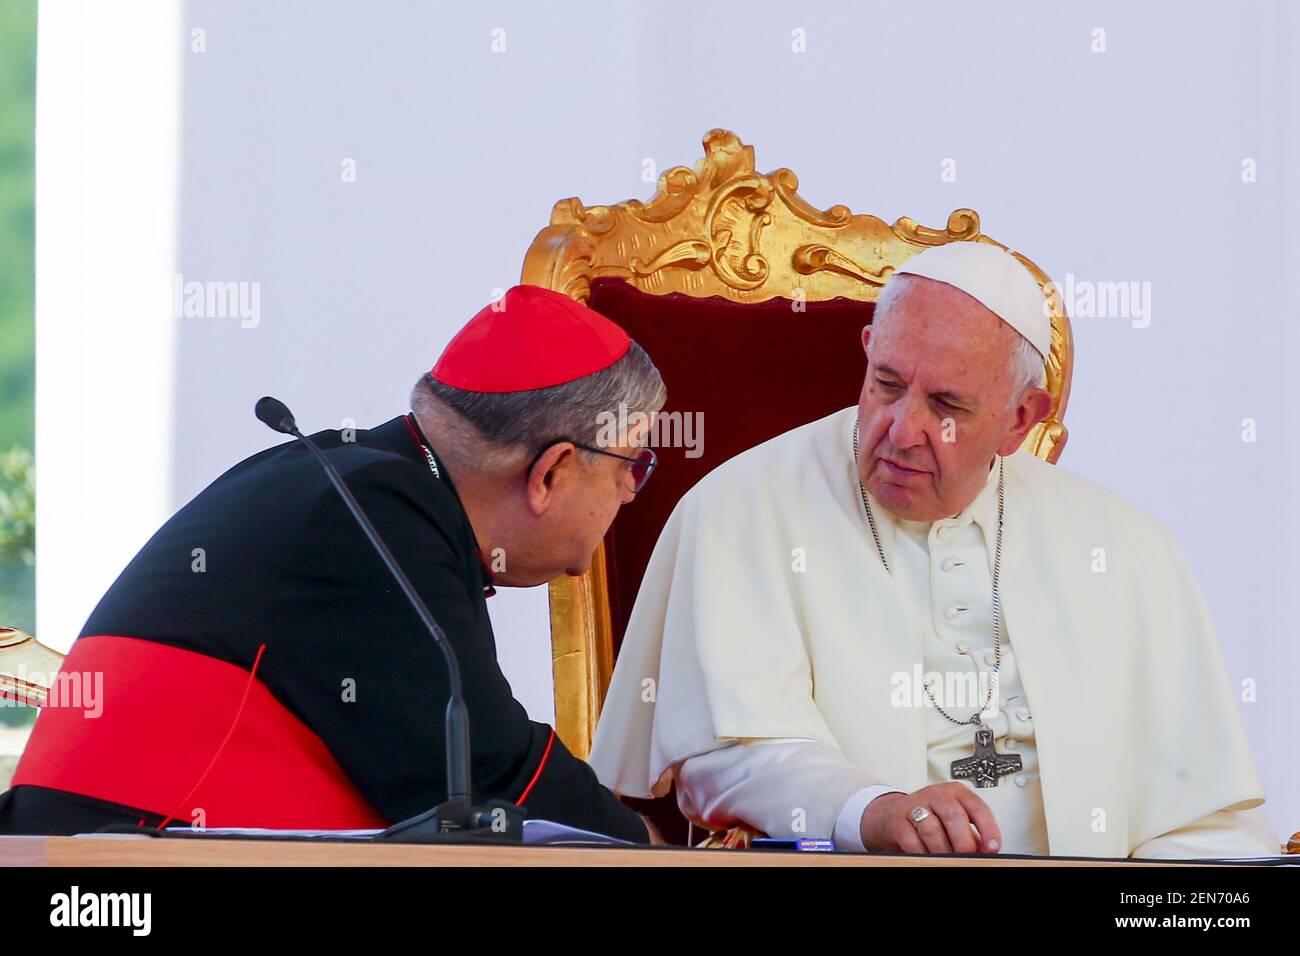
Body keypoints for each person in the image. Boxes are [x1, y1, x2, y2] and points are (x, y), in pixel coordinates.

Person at [589, 242, 1280, 858]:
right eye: (886, 385)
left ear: (1020, 419)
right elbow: (728, 759)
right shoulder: (741, 509)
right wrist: (876, 812)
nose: (901, 430)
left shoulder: (1125, 547)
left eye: (947, 406)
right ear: (866, 348)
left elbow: (1200, 815)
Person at [1, 285, 662, 842]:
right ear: (551, 472)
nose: (633, 491)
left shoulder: (358, 481)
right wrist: (654, 851)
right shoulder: (371, 507)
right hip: (122, 867)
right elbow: (484, 776)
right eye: (633, 464)